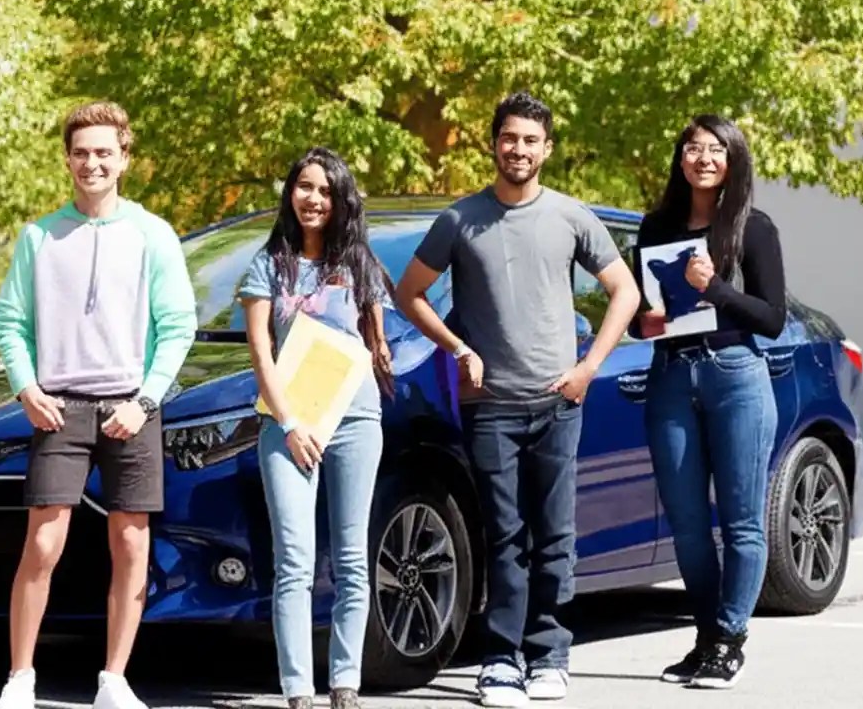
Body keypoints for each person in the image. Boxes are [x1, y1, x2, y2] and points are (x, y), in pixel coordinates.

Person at [395, 92, 640, 707]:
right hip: (491, 405)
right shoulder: (459, 220)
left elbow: (625, 293)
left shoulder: (571, 217)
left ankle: (550, 655)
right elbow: (411, 294)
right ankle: (500, 661)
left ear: (546, 148)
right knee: (504, 535)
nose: (520, 149)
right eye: (510, 138)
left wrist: (588, 367)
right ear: (494, 143)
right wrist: (458, 347)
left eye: (531, 140)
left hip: (559, 402)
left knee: (555, 535)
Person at [0, 100, 198, 709]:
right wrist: (26, 387)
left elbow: (178, 324)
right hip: (59, 406)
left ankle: (114, 680)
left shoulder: (152, 234)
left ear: (124, 159)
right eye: (81, 153)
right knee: (44, 545)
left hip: (132, 408)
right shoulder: (39, 237)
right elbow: (10, 322)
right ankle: (20, 679)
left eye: (104, 152)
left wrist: (146, 399)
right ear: (67, 160)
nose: (92, 163)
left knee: (132, 544)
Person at [630, 114, 786, 690]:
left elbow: (772, 318)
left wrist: (714, 289)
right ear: (680, 158)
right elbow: (648, 317)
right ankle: (705, 639)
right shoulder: (655, 227)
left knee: (742, 520)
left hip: (736, 377)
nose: (703, 158)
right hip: (671, 374)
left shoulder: (753, 227)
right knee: (688, 525)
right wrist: (643, 324)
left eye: (715, 149)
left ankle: (730, 639)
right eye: (692, 148)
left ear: (732, 159)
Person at [237, 147, 396, 709]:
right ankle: (298, 689)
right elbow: (261, 350)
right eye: (305, 187)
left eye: (325, 191)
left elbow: (375, 343)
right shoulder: (267, 265)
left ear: (340, 201)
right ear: (290, 193)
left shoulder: (361, 266)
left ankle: (345, 684)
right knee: (295, 561)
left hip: (355, 419)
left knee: (353, 558)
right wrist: (289, 421)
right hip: (288, 423)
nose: (313, 199)